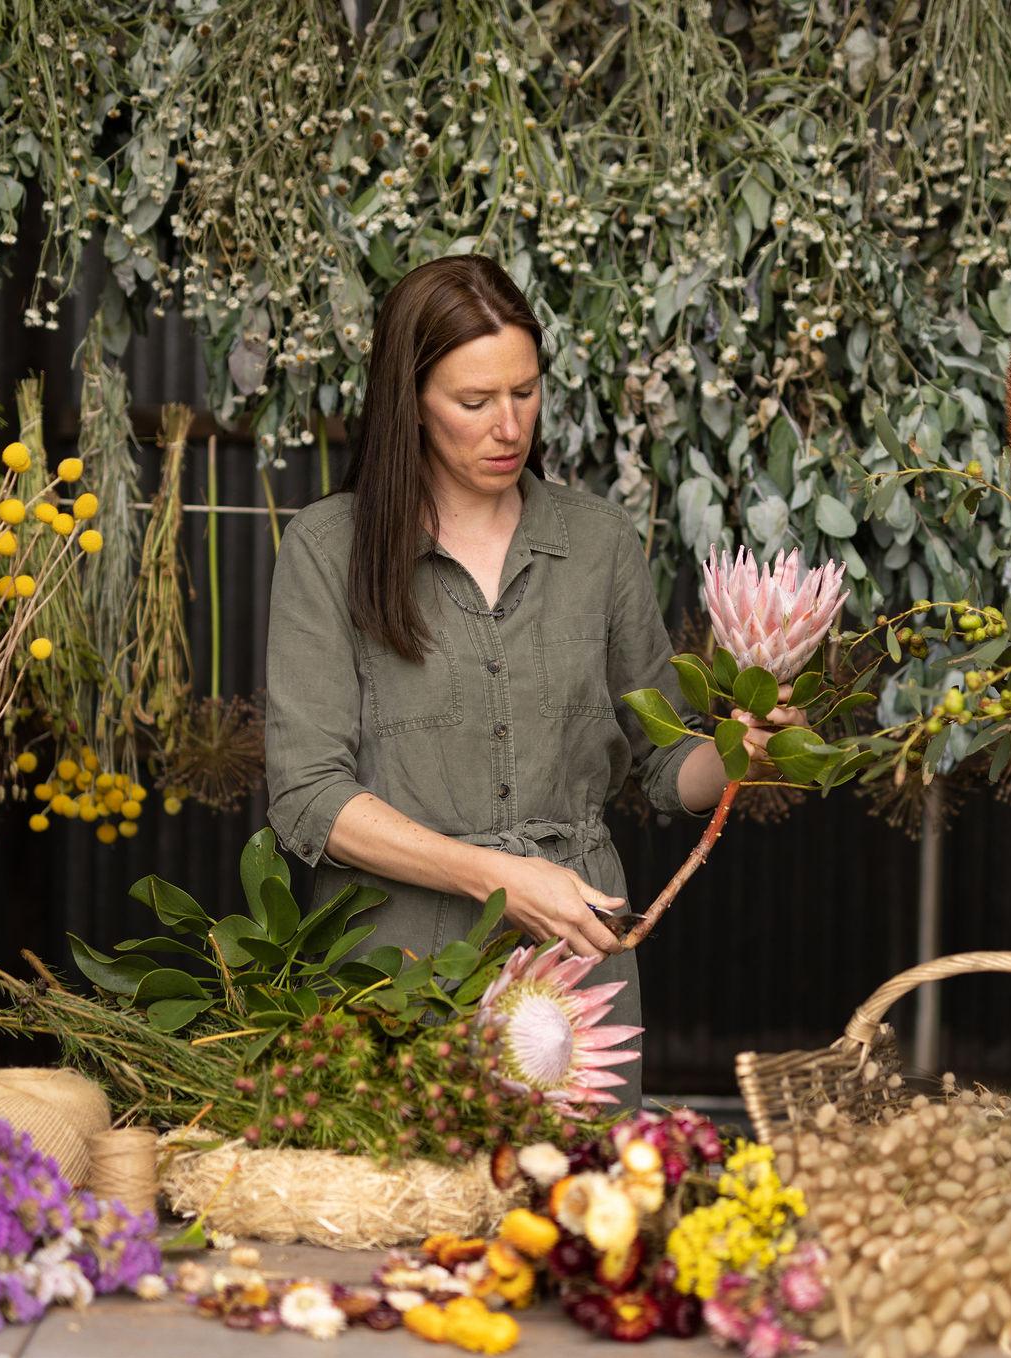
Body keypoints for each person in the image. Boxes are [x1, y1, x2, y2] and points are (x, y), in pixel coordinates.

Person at [264, 254, 798, 1107]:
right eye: (473, 402)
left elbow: (667, 767)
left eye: (525, 391)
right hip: (395, 971)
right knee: (401, 1223)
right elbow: (307, 797)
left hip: (574, 977)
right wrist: (494, 877)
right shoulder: (330, 552)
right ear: (409, 403)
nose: (508, 426)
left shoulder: (599, 544)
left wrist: (745, 751)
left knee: (577, 1225)